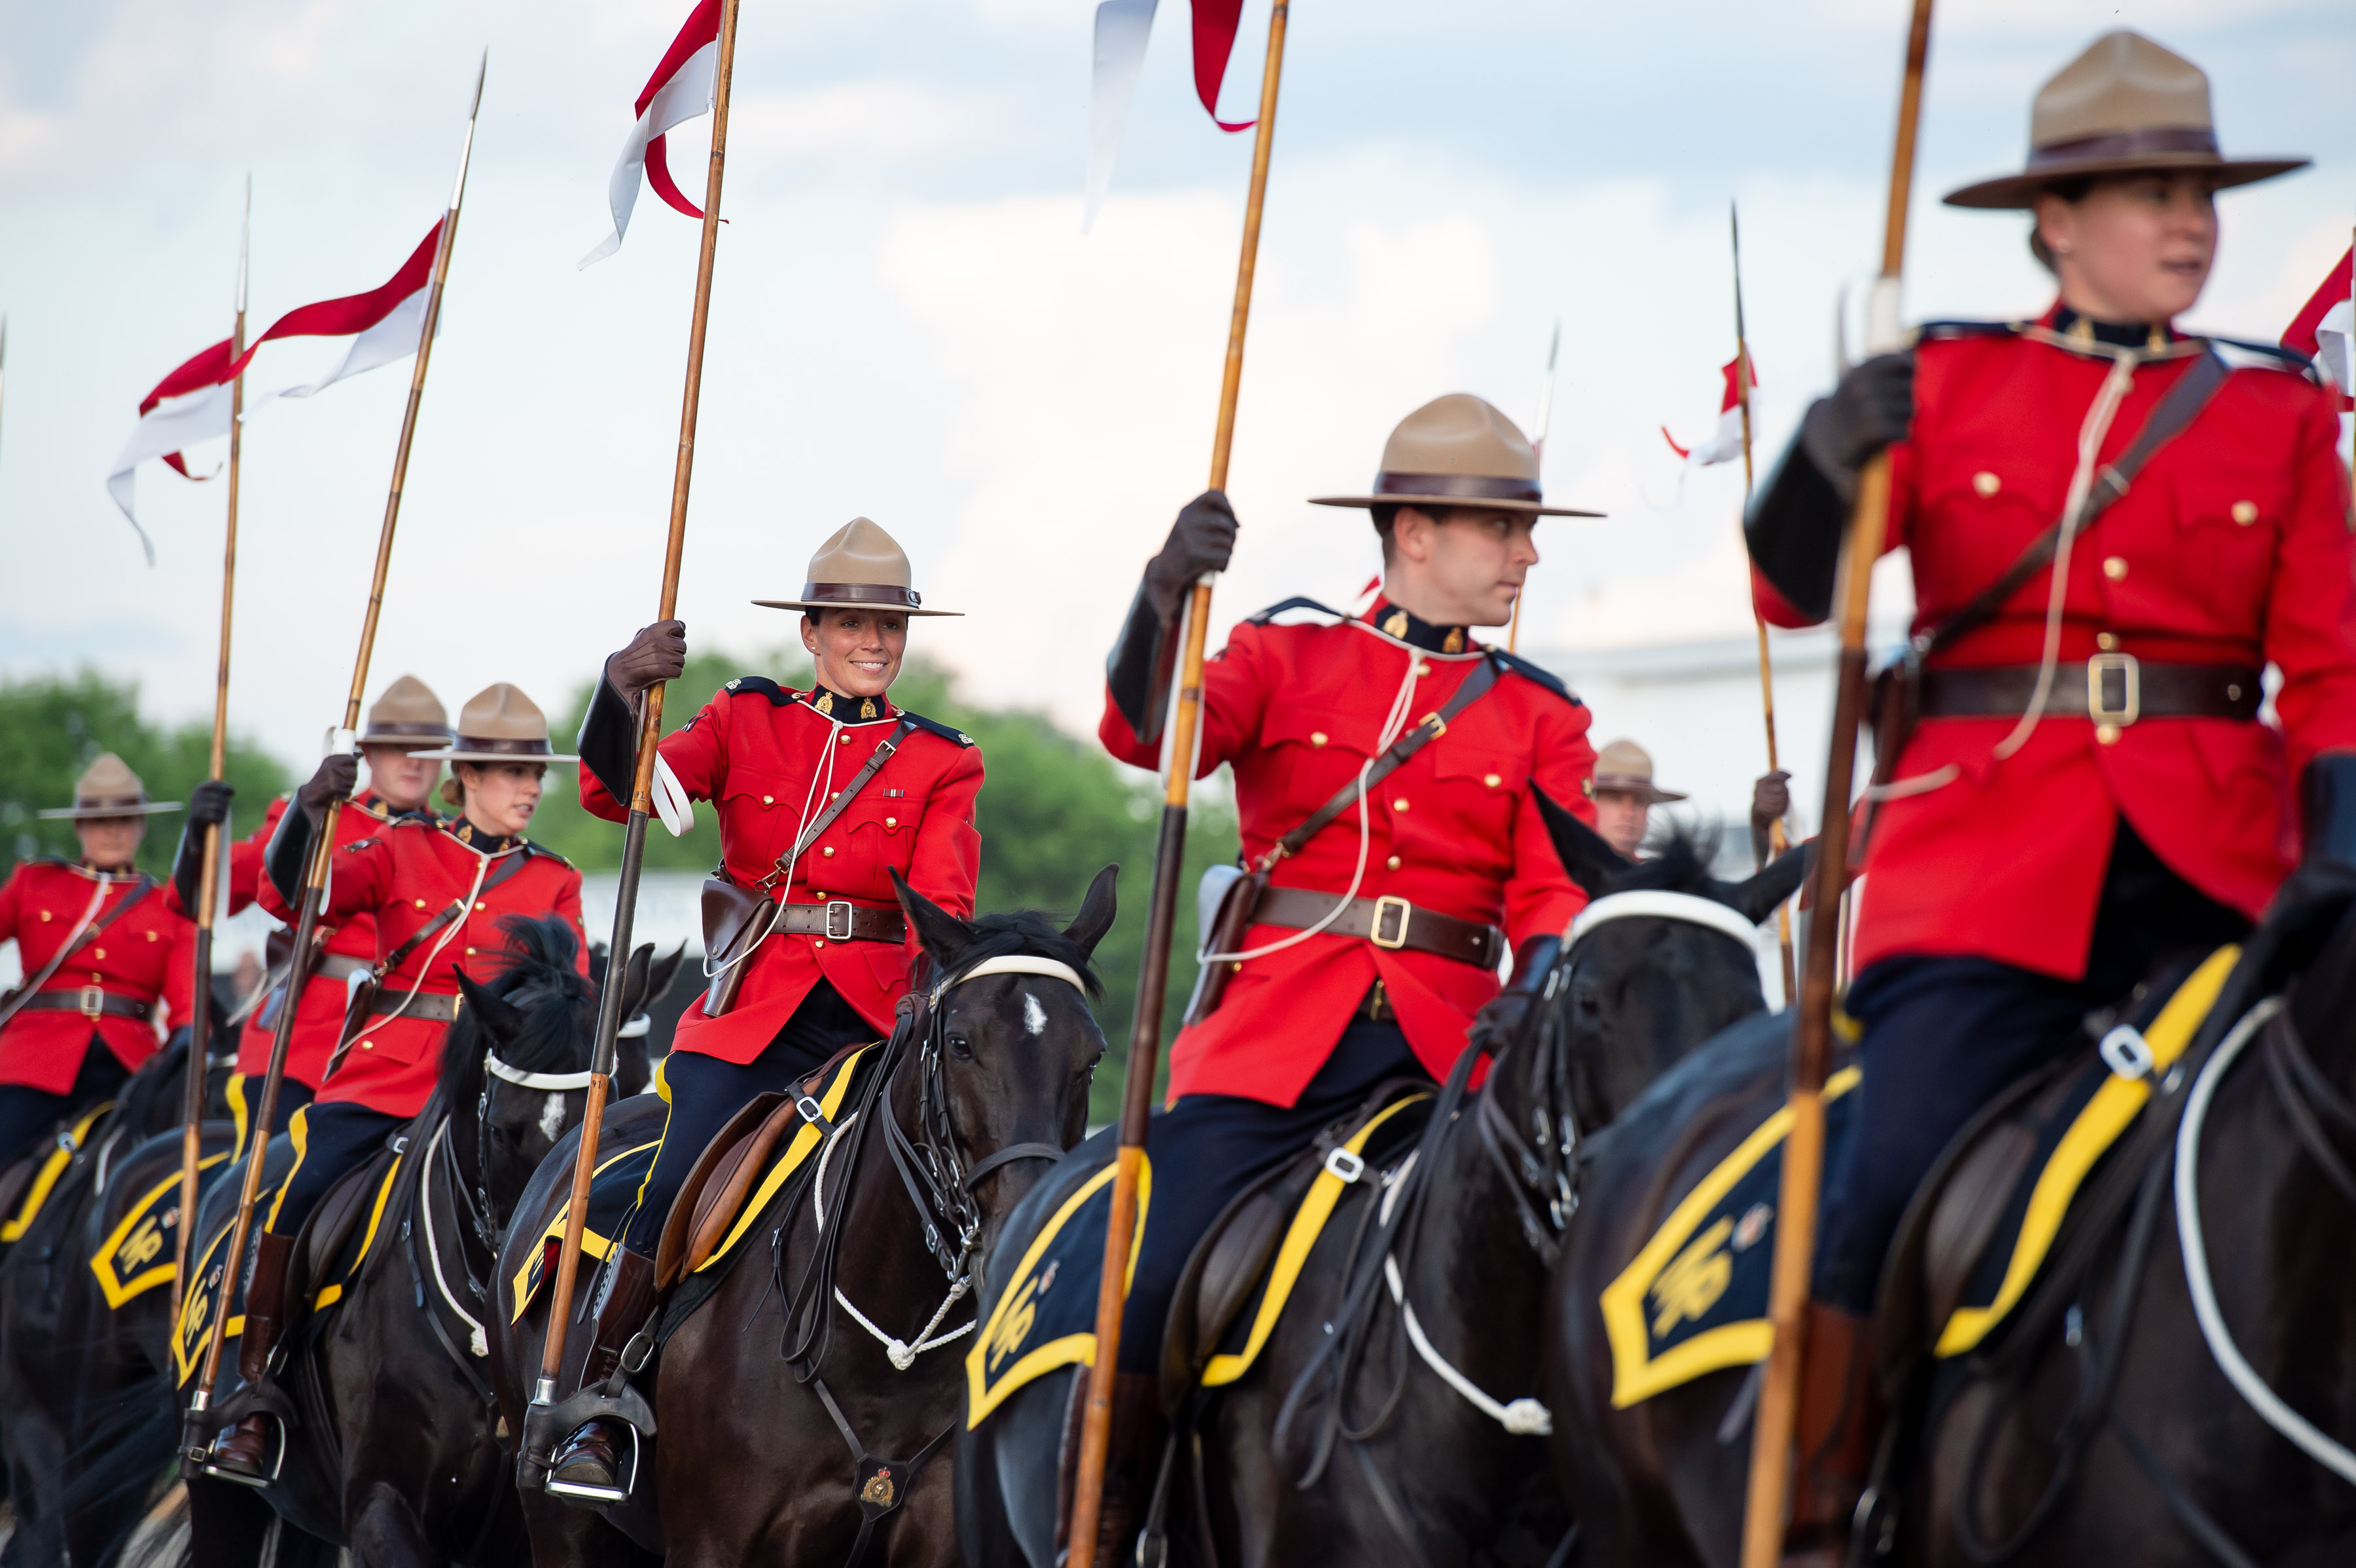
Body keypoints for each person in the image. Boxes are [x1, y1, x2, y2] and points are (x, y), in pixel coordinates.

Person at [1742, 32, 2356, 1559]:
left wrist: (2338, 858)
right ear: (2054, 222)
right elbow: (1787, 597)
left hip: (2222, 873)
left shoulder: (2277, 418)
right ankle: (1820, 1501)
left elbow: (2334, 671)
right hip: (1989, 872)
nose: (2191, 222)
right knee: (1880, 1174)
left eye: (2203, 191)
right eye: (2153, 192)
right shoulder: (1946, 384)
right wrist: (1818, 459)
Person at [1085, 392, 1603, 1554]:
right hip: (1273, 1047)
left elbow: (1551, 893)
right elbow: (1149, 734)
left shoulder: (1542, 716)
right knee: (1154, 1272)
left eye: (1527, 531)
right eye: (1505, 530)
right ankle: (1113, 1516)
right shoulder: (1289, 650)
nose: (1529, 554)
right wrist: (1163, 593)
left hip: (1456, 1060)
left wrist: (1540, 987)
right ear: (1414, 532)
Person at [544, 516, 983, 1499]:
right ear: (813, 633)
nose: (874, 644)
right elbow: (626, 799)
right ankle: (606, 1398)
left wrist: (927, 1007)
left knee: (963, 1188)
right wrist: (621, 693)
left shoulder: (942, 761)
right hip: (756, 1009)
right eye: (852, 625)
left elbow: (945, 908)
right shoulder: (747, 718)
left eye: (890, 628)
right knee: (677, 1175)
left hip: (876, 1021)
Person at [204, 683, 586, 1481]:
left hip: (493, 1089)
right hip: (387, 1073)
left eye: (536, 774)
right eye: (514, 771)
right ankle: (258, 1386)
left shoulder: (555, 877)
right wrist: (309, 812)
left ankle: (576, 1397)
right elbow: (291, 897)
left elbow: (571, 986)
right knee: (302, 1192)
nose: (530, 788)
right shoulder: (400, 848)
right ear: (468, 774)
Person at [162, 675, 452, 1146]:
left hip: (406, 1046)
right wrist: (198, 836)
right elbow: (206, 898)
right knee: (266, 1188)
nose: (415, 761)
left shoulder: (451, 840)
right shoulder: (321, 816)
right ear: (369, 754)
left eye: (430, 749)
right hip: (306, 1038)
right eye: (399, 748)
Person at [0, 755, 195, 1166]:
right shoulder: (35, 884)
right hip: (38, 1059)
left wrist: (187, 1042)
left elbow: (188, 1002)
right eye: (100, 821)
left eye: (124, 820)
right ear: (79, 827)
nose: (112, 830)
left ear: (140, 826)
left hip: (129, 1069)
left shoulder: (170, 909)